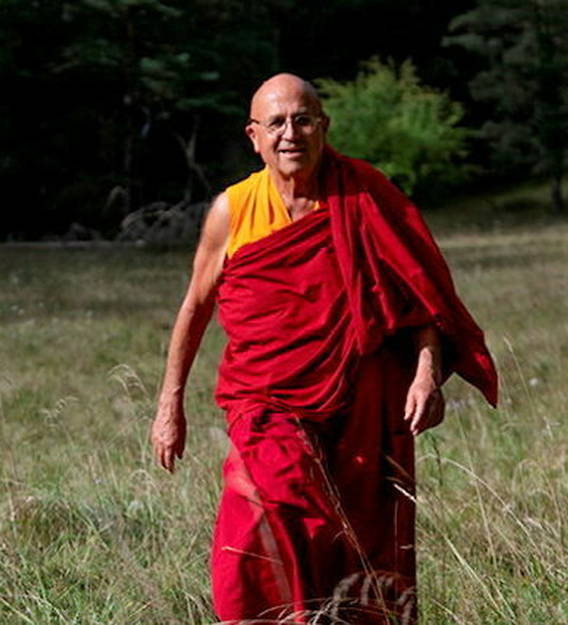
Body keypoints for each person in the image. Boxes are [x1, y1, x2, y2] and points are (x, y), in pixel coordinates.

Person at [150, 73, 498, 624]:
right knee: (262, 515)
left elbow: (422, 296)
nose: (292, 134)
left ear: (323, 126)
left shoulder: (365, 195)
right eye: (277, 123)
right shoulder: (233, 210)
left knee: (361, 536)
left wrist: (427, 371)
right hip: (265, 400)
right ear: (254, 136)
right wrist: (170, 403)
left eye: (303, 119)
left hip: (364, 402)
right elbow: (195, 307)